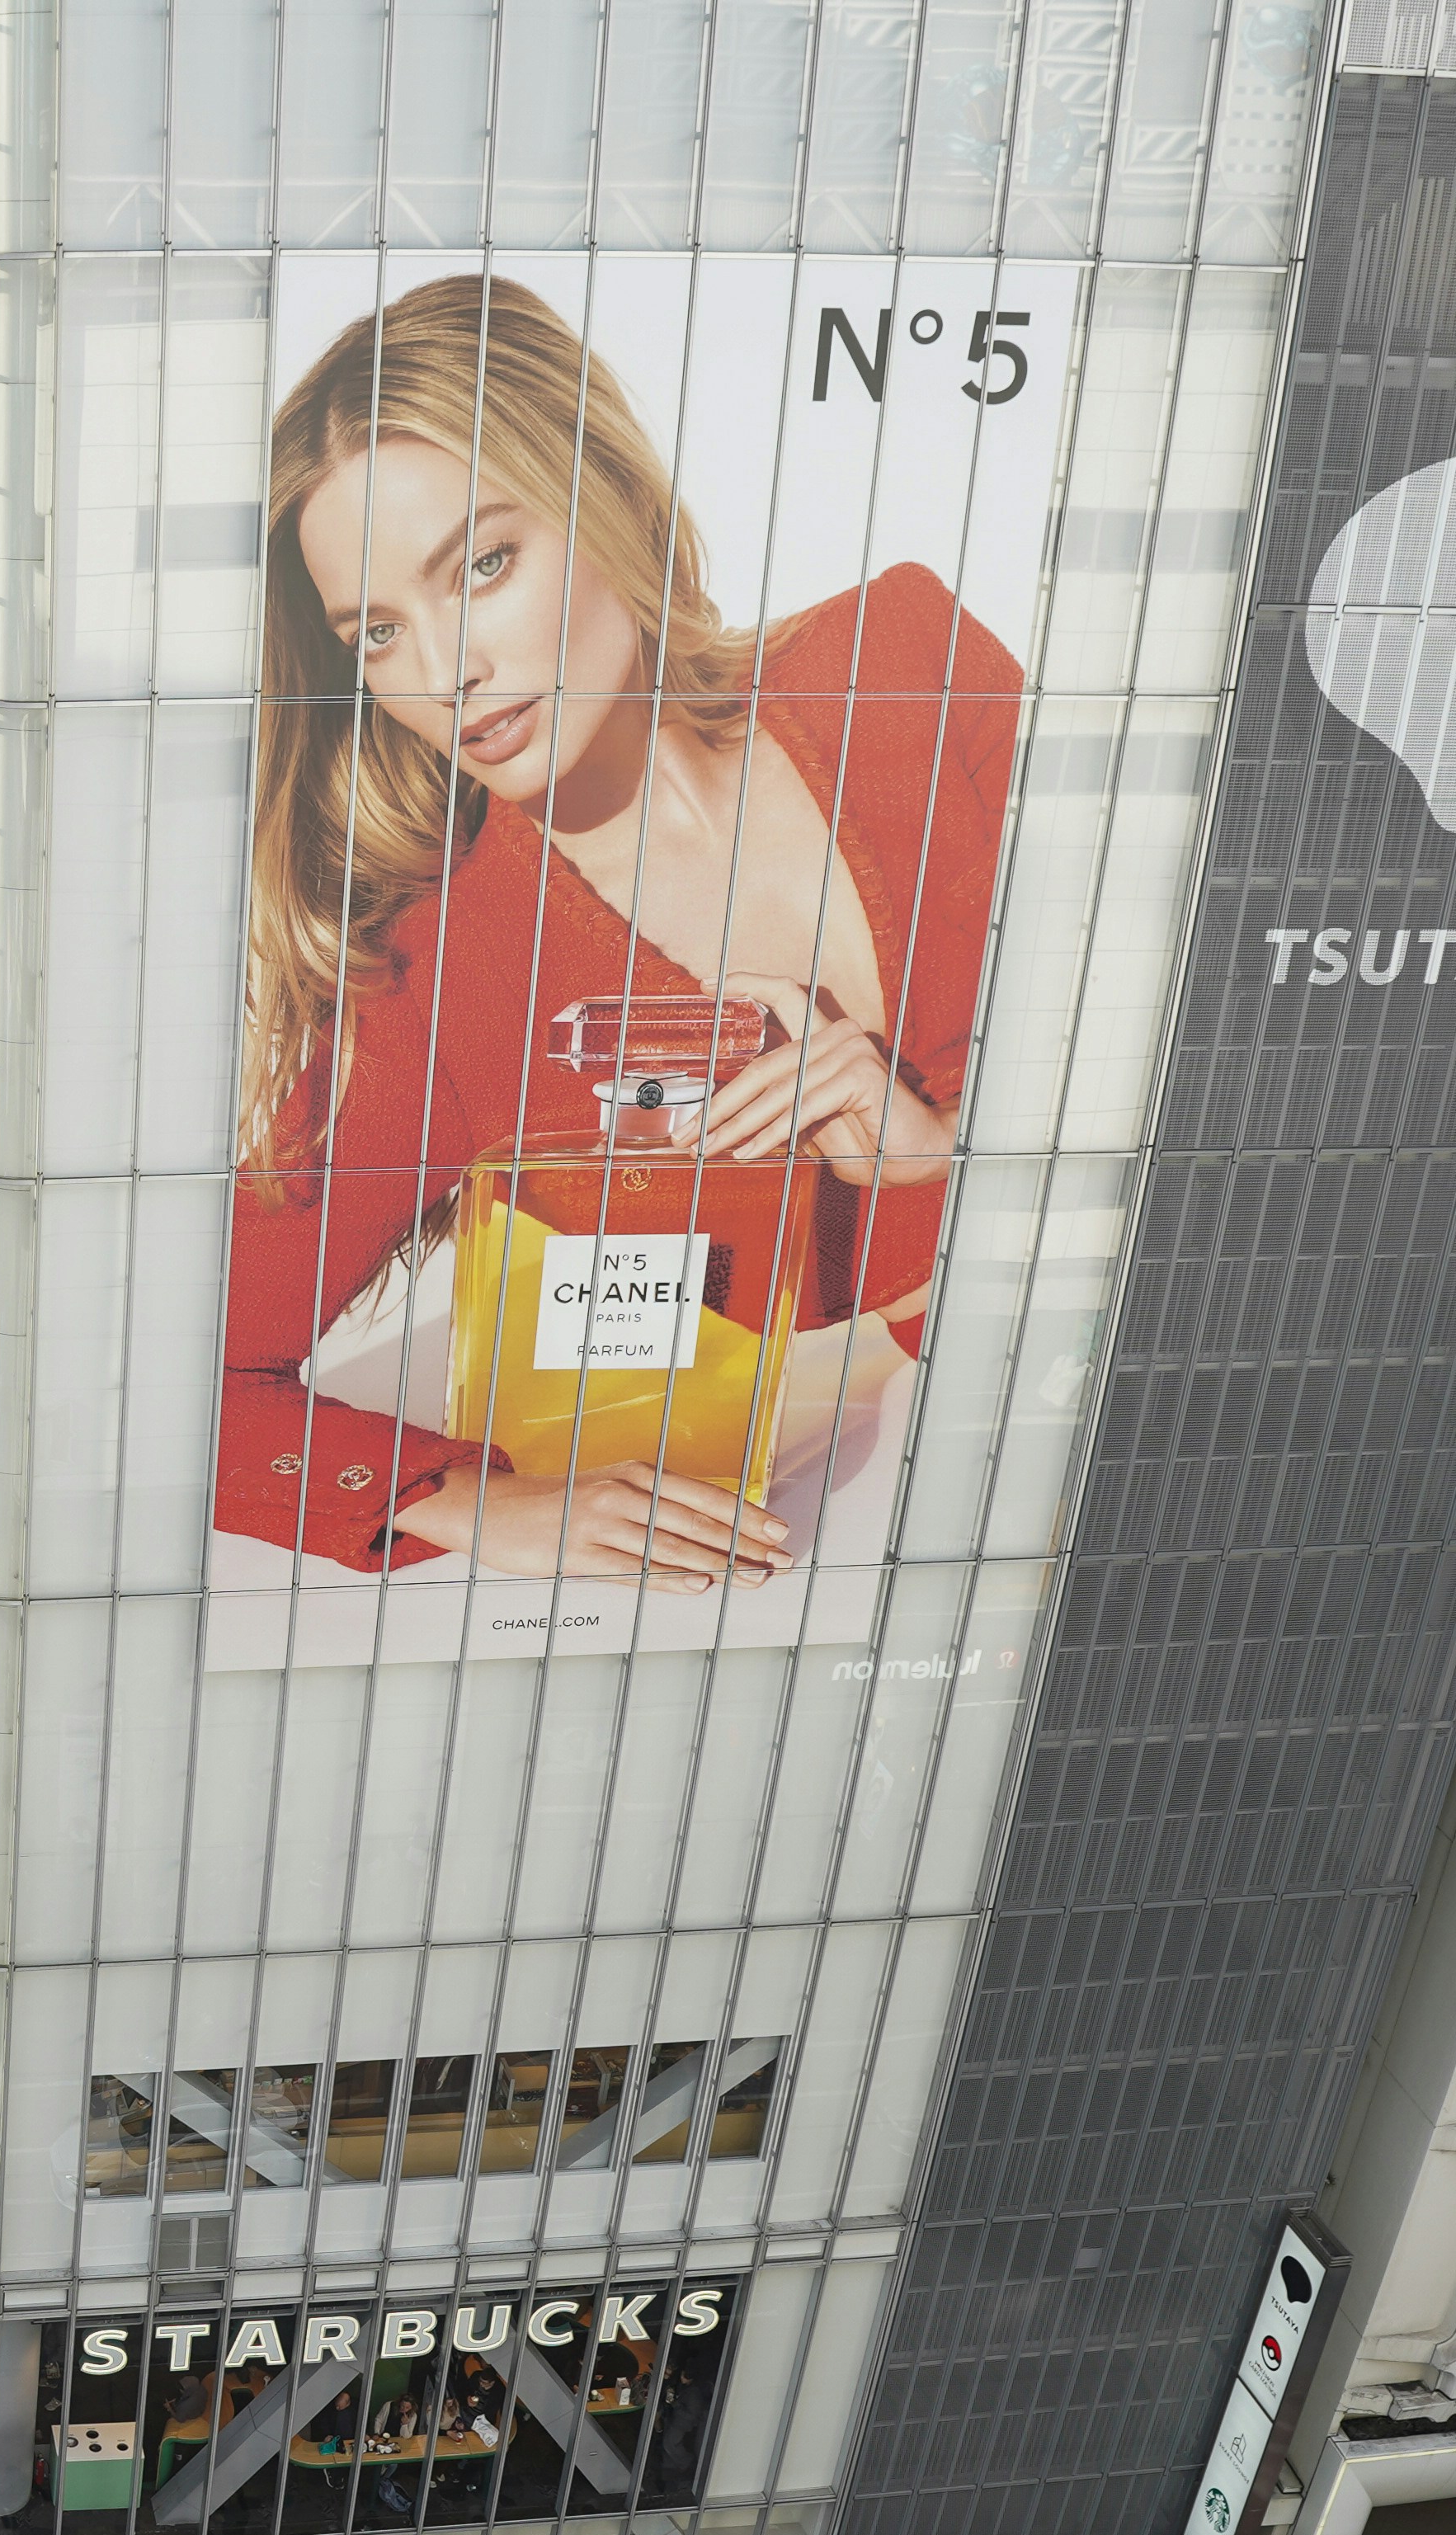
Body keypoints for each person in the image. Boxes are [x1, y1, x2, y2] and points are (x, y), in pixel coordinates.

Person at [216, 272, 1011, 1612]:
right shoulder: (446, 983)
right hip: (827, 1585)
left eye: (482, 564)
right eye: (378, 633)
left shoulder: (913, 670)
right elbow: (173, 1373)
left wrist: (927, 1168)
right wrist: (469, 1503)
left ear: (611, 501)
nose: (441, 672)